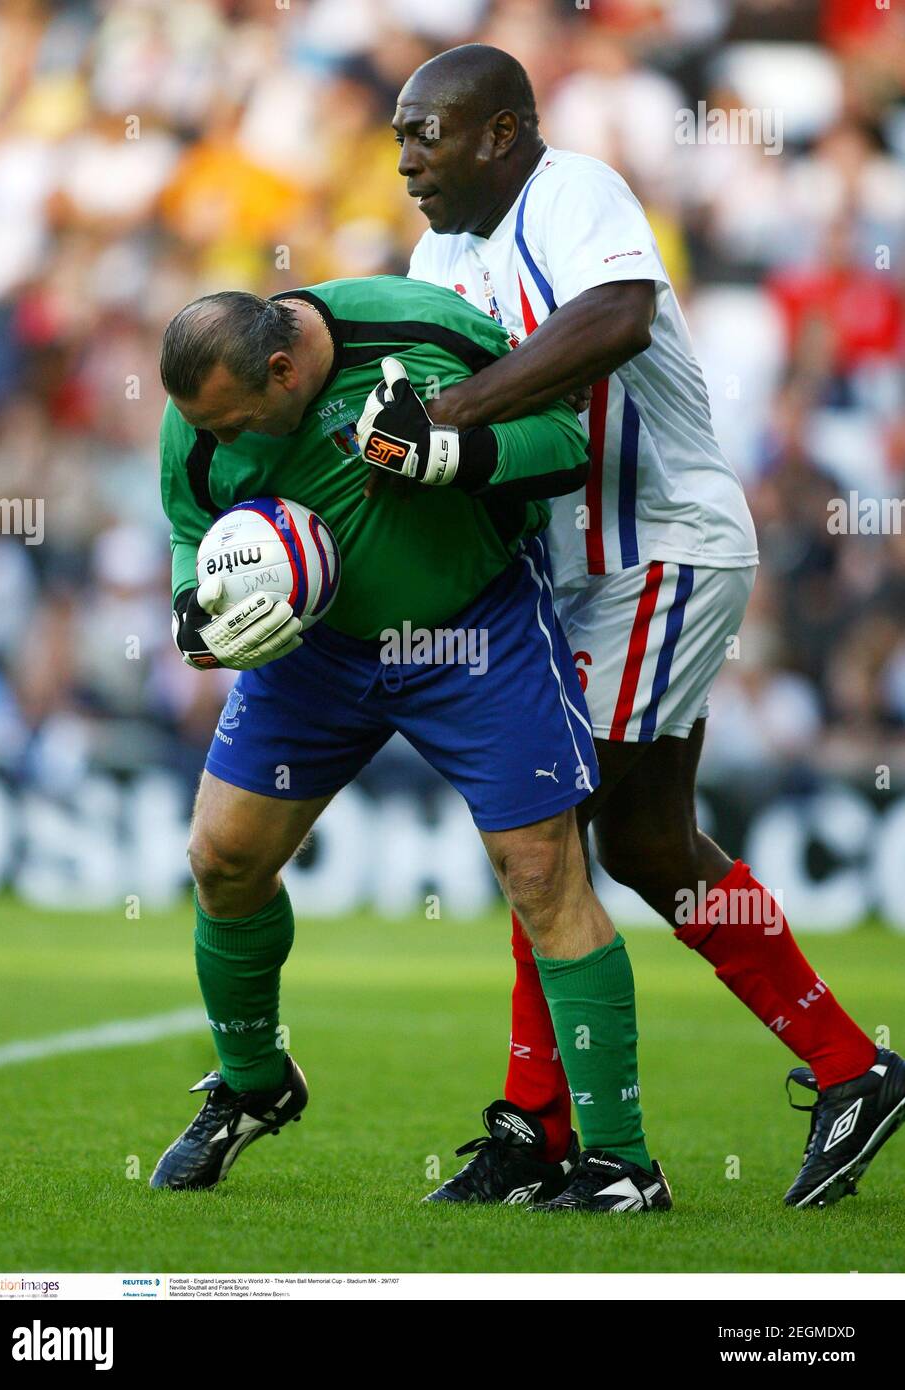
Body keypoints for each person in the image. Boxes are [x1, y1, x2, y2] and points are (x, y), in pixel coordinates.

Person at [395, 43, 904, 1210]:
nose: (409, 157)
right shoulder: (435, 257)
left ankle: (553, 1128)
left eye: (430, 131)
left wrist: (449, 413)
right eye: (399, 137)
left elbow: (618, 315)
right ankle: (850, 1067)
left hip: (655, 547)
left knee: (554, 829)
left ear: (503, 134)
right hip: (570, 571)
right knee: (641, 846)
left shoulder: (572, 191)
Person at [150, 277, 671, 1212]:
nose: (217, 443)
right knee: (222, 858)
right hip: (311, 653)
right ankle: (254, 1084)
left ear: (281, 370)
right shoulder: (195, 417)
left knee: (542, 873)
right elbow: (193, 531)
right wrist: (194, 611)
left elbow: (562, 441)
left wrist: (453, 451)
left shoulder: (419, 327)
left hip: (469, 633)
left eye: (234, 426)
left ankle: (623, 1164)